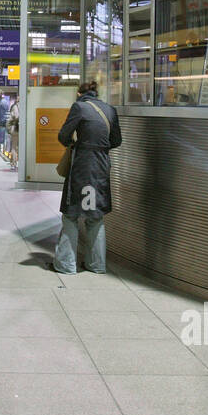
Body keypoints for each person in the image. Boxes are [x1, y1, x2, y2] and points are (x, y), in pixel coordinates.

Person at [54, 80, 122, 275]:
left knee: (71, 214)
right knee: (96, 217)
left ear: (78, 93)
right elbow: (116, 140)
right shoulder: (110, 109)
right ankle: (96, 265)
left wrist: (77, 143)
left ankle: (66, 265)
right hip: (101, 166)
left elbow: (63, 135)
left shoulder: (79, 107)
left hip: (82, 165)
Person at [6, 95, 20, 168]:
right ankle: (19, 163)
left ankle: (13, 164)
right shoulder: (26, 106)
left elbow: (14, 117)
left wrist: (8, 128)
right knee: (20, 147)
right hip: (23, 129)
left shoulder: (15, 107)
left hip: (16, 129)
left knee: (14, 147)